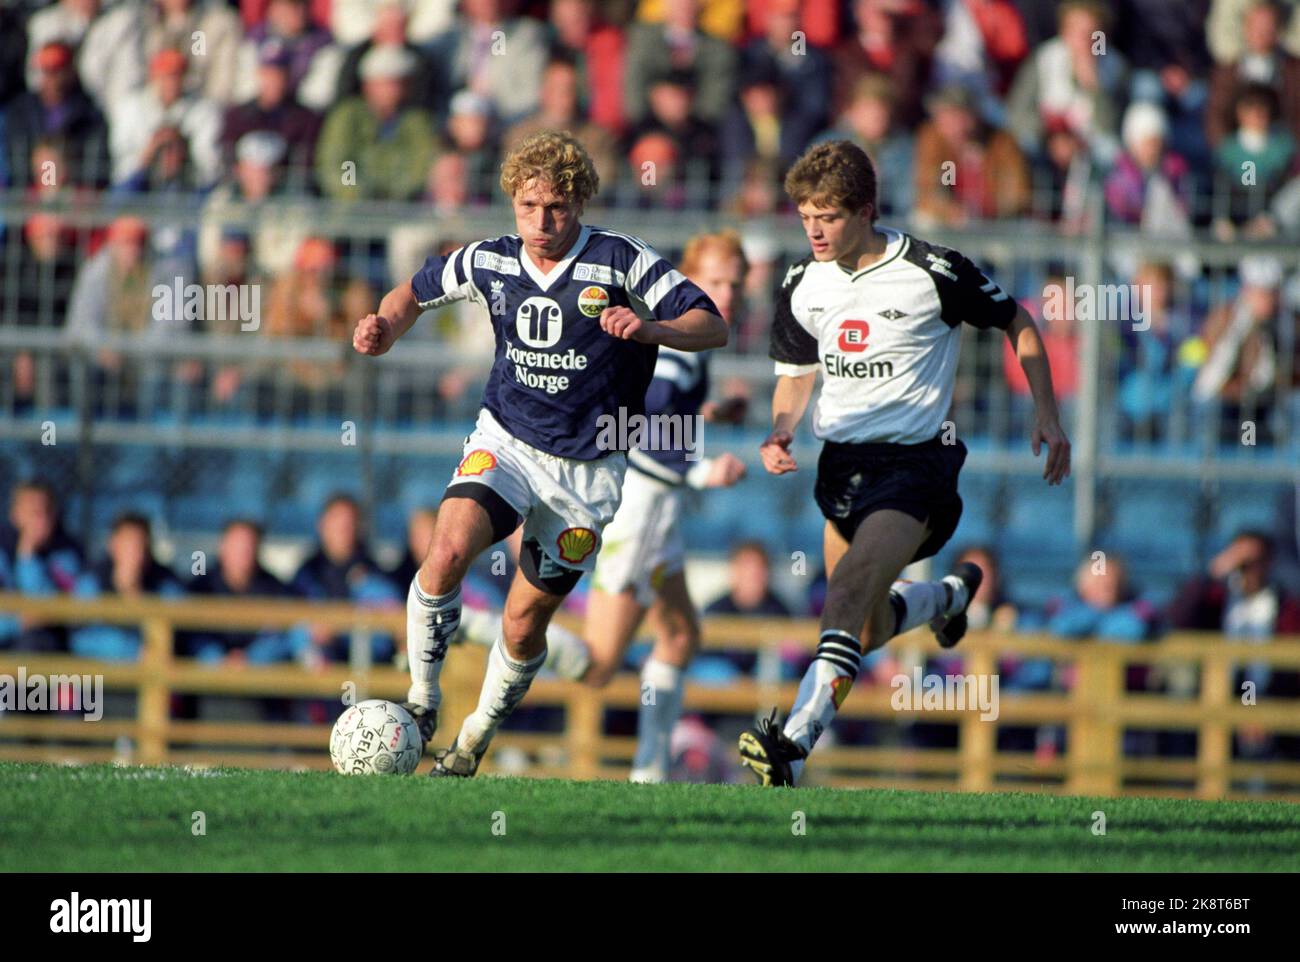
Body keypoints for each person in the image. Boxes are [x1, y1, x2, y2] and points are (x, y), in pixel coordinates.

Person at [351, 130, 726, 777]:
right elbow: (411, 291)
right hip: (507, 441)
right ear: (512, 204)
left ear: (578, 201)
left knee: (523, 626)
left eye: (555, 207)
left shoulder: (621, 262)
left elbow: (711, 322)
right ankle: (420, 702)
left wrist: (652, 327)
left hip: (589, 474)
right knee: (444, 552)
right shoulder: (489, 260)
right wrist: (384, 326)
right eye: (528, 207)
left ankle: (473, 739)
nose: (541, 221)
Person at [736, 140, 1071, 787]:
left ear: (866, 210)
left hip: (917, 463)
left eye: (828, 216)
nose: (814, 229)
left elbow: (1018, 321)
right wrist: (781, 428)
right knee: (862, 621)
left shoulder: (933, 270)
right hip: (840, 466)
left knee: (845, 587)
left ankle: (793, 741)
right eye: (806, 215)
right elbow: (795, 374)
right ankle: (945, 597)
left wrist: (1047, 412)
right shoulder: (801, 281)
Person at [453, 229, 750, 783]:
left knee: (682, 633)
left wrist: (708, 414)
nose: (726, 295)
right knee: (598, 665)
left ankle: (651, 771)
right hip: (639, 513)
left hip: (661, 519)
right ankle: (471, 624)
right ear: (689, 280)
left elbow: (660, 414)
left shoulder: (688, 347)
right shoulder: (675, 346)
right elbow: (638, 430)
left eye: (734, 284)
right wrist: (707, 469)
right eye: (713, 283)